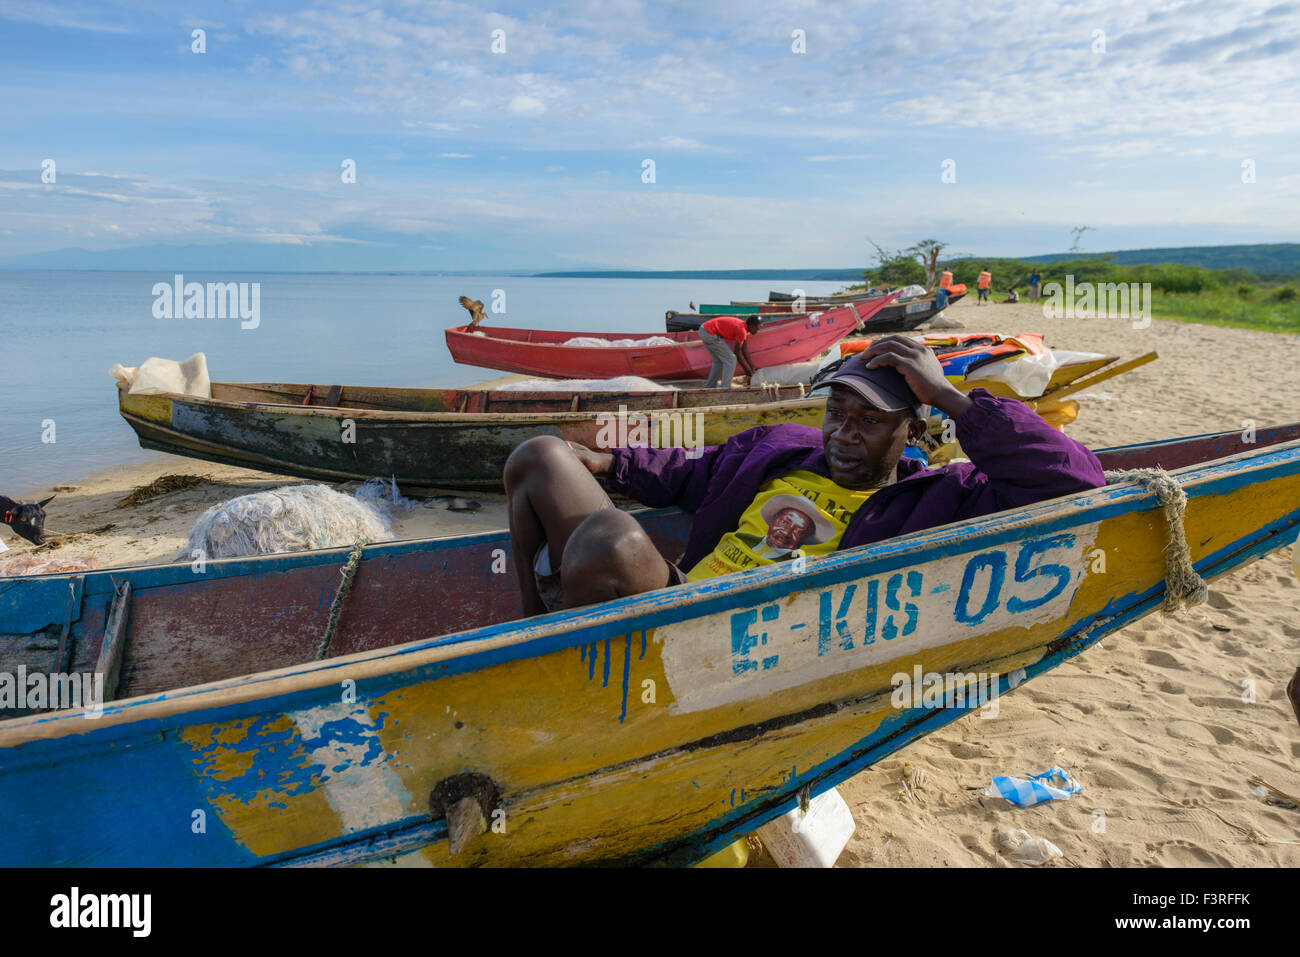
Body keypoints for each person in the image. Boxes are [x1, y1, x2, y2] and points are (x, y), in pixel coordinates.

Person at [503, 335, 1106, 616]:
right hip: (678, 595)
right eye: (836, 414)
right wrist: (611, 462)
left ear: (913, 430)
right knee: (541, 454)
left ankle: (581, 671)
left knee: (612, 538)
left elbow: (1076, 483)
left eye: (870, 421)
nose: (845, 433)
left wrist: (951, 396)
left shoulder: (940, 498)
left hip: (749, 638)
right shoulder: (782, 449)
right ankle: (529, 627)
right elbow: (694, 471)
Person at [697, 315, 760, 389]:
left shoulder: (743, 328)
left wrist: (751, 366)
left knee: (719, 361)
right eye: (757, 328)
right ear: (752, 326)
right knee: (731, 359)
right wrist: (746, 370)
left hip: (704, 330)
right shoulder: (742, 330)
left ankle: (710, 387)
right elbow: (737, 352)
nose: (758, 330)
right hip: (709, 333)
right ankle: (725, 388)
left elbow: (744, 350)